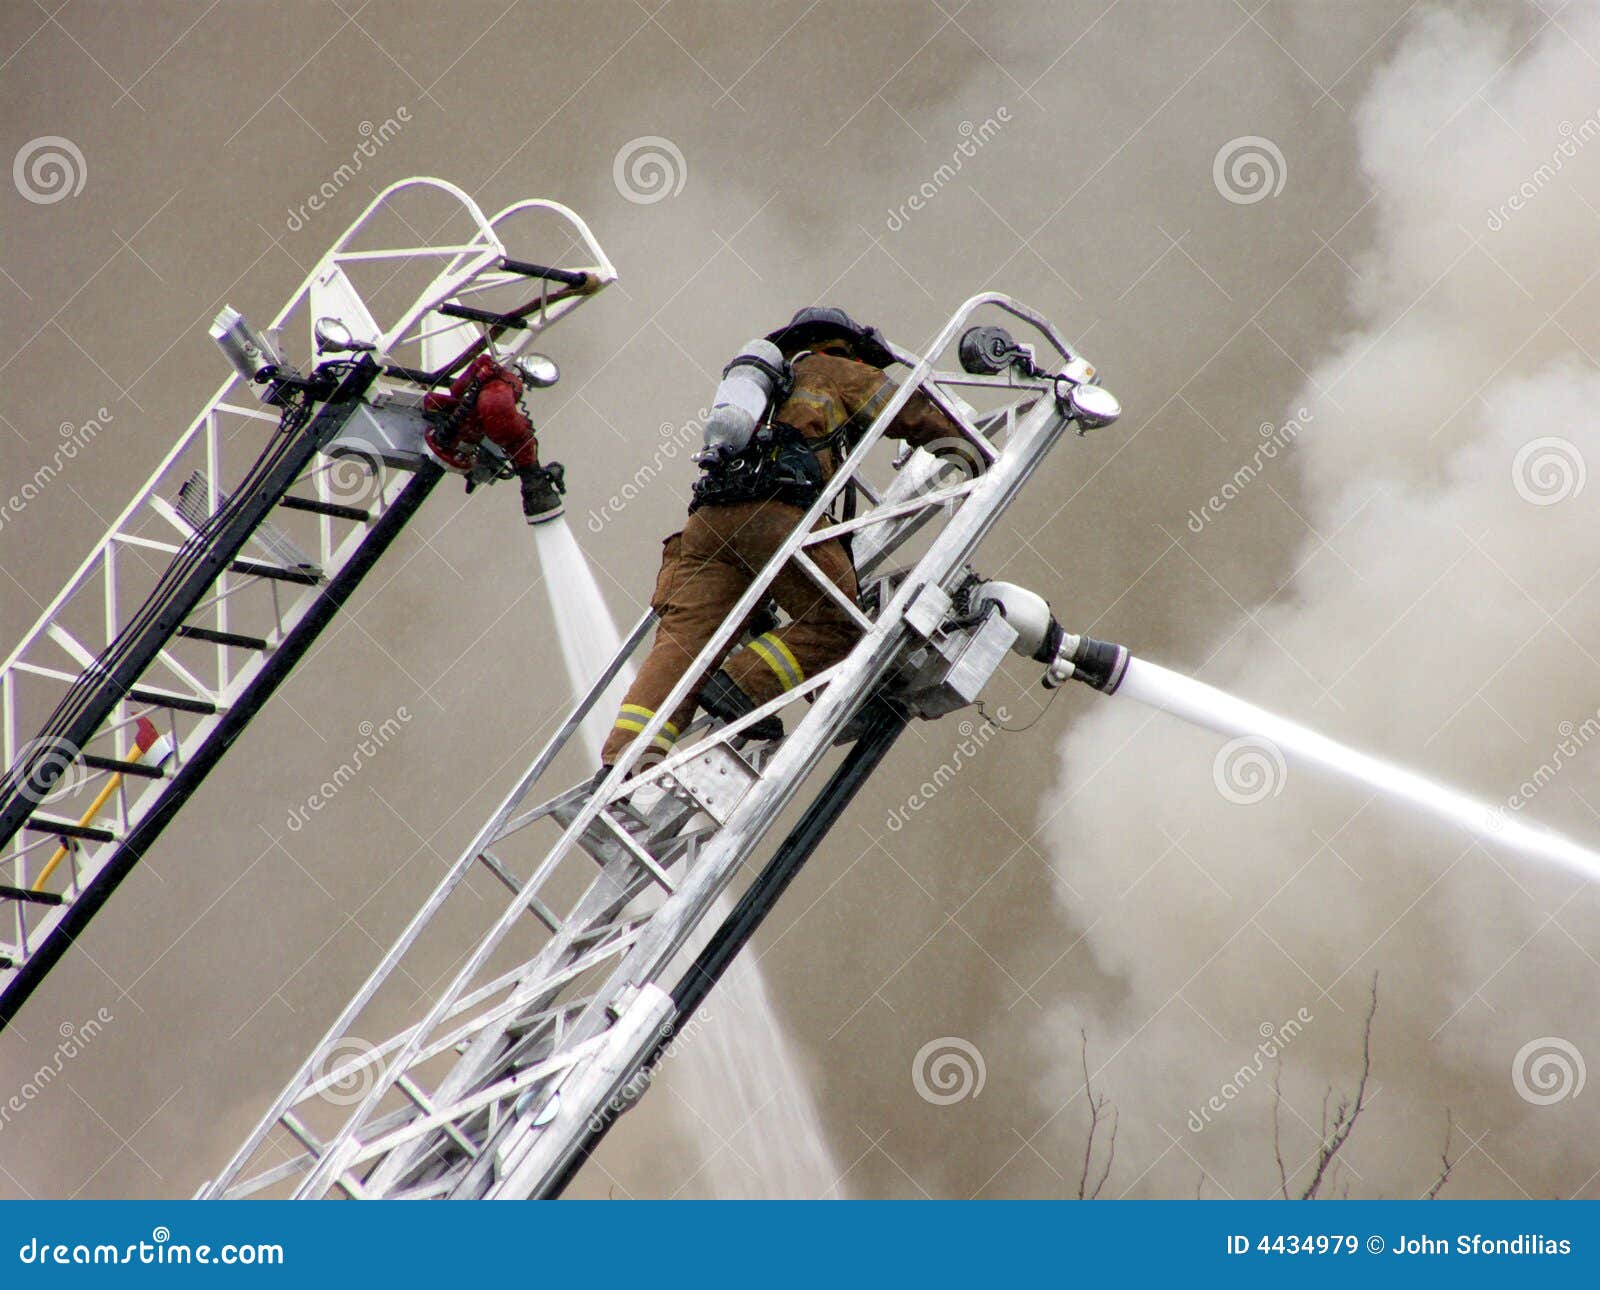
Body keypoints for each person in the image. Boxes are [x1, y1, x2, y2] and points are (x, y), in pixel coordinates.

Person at [597, 306, 960, 778]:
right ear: (843, 346)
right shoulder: (830, 367)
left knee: (682, 646)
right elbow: (903, 408)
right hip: (773, 514)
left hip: (705, 528)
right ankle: (741, 686)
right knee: (838, 622)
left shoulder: (761, 394)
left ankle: (625, 763)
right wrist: (968, 450)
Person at [423, 353, 566, 522]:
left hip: (455, 436)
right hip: (454, 436)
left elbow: (484, 405)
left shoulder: (494, 390)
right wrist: (530, 470)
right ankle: (533, 483)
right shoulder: (498, 392)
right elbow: (494, 409)